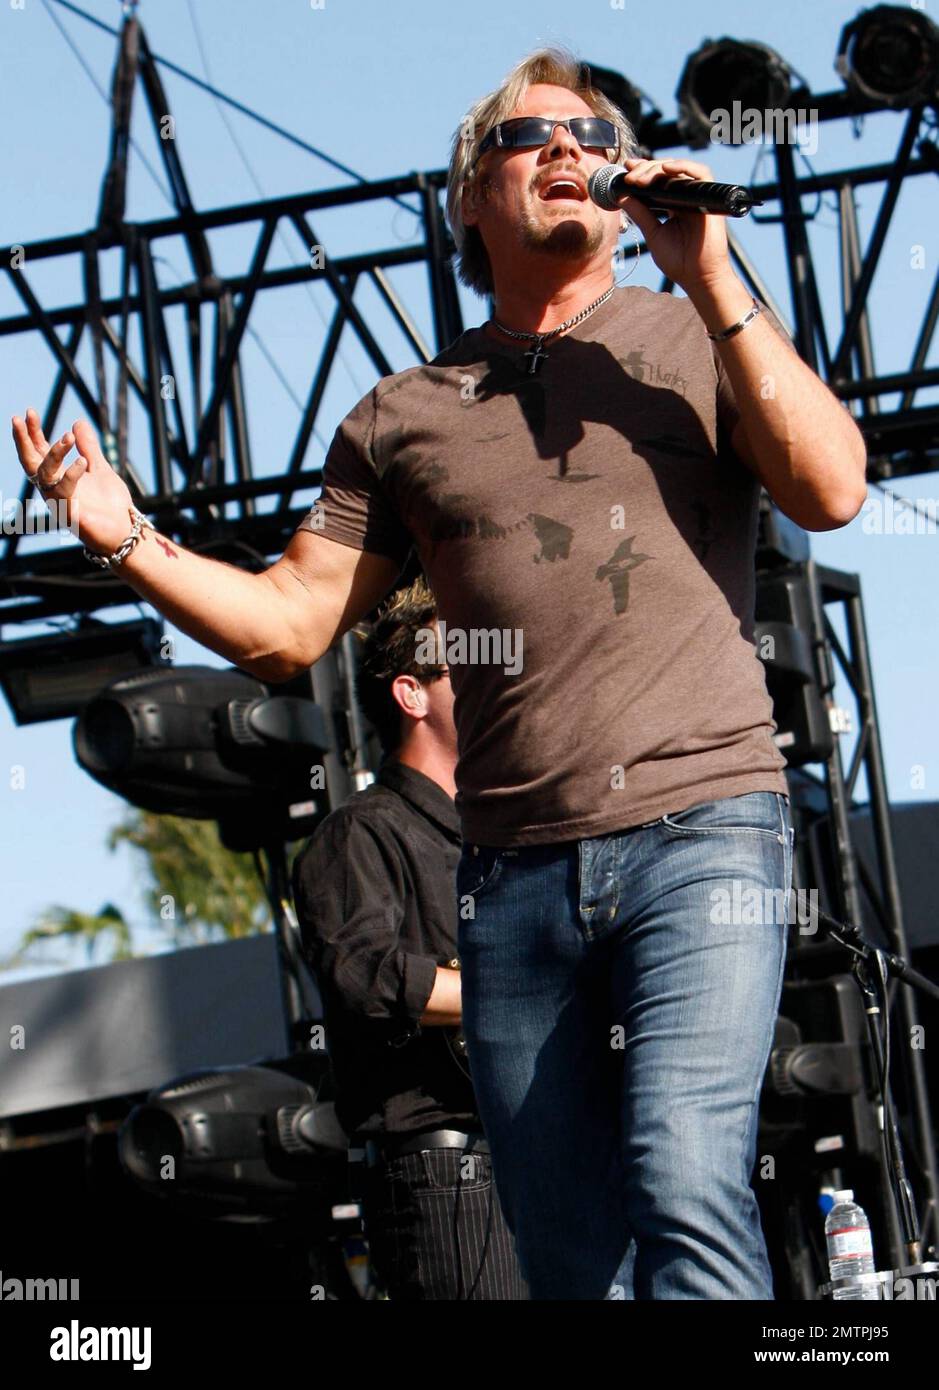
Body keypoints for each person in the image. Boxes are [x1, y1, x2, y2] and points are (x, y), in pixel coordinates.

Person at [13, 46, 867, 1299]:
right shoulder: (403, 414)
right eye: (533, 137)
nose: (568, 149)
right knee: (570, 1254)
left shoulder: (695, 340)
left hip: (704, 828)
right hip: (515, 874)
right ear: (470, 194)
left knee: (684, 1176)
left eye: (592, 132)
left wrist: (712, 270)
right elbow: (286, 625)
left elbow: (835, 488)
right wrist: (129, 536)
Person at [290, 575, 525, 1300]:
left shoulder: (513, 833)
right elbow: (364, 976)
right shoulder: (356, 835)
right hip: (448, 1178)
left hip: (549, 1154)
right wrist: (511, 993)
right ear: (411, 694)